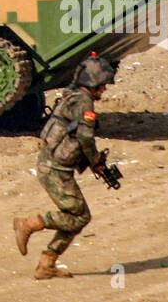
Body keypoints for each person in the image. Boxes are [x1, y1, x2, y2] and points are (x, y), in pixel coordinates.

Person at [12, 53, 116, 280]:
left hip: (54, 166)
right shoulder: (83, 102)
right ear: (94, 83)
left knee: (77, 216)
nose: (104, 90)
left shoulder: (75, 96)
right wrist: (95, 161)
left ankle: (46, 264)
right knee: (79, 216)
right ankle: (29, 224)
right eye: (103, 85)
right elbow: (86, 137)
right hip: (54, 170)